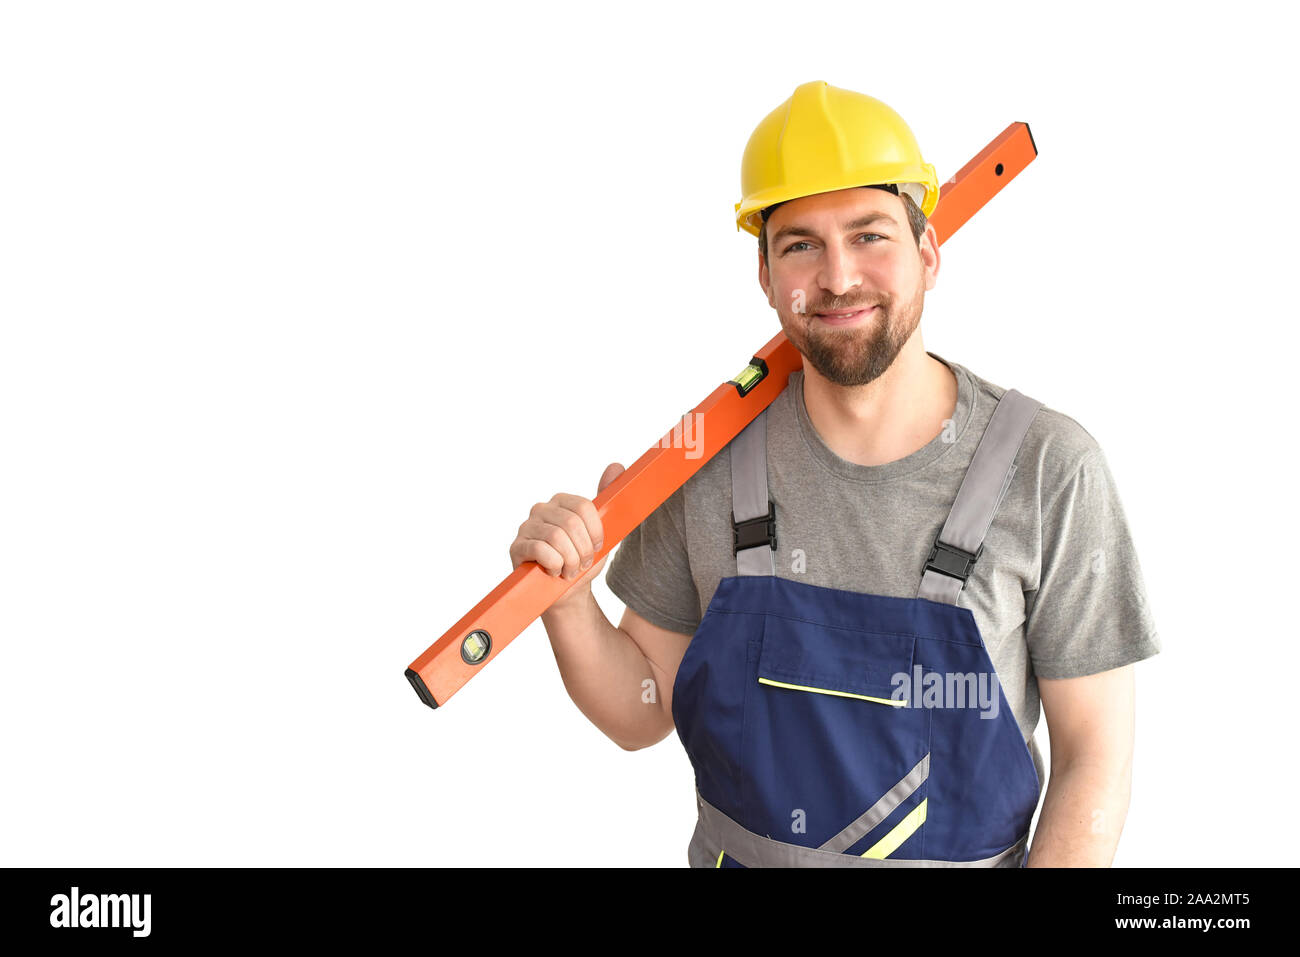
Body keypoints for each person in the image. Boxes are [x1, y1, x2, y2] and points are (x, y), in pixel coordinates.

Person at [509, 81, 1160, 867]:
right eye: (800, 244)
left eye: (869, 235)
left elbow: (1094, 759)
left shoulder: (1051, 468)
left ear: (927, 252)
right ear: (765, 276)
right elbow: (641, 708)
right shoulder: (704, 461)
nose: (839, 276)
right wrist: (570, 603)